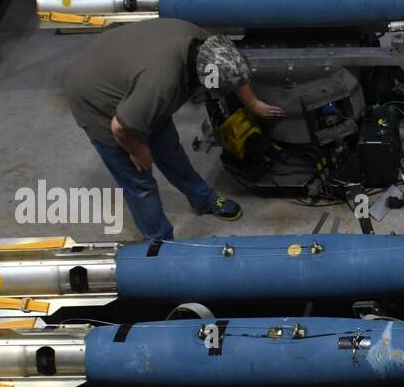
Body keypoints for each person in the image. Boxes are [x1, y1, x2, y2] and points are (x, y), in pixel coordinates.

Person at [63, 19, 284, 240]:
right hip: (97, 100)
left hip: (126, 73)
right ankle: (161, 242)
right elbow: (120, 128)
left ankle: (204, 200)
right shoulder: (160, 86)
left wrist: (252, 103)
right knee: (139, 181)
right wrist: (137, 150)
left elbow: (233, 72)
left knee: (170, 151)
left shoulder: (209, 46)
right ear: (202, 79)